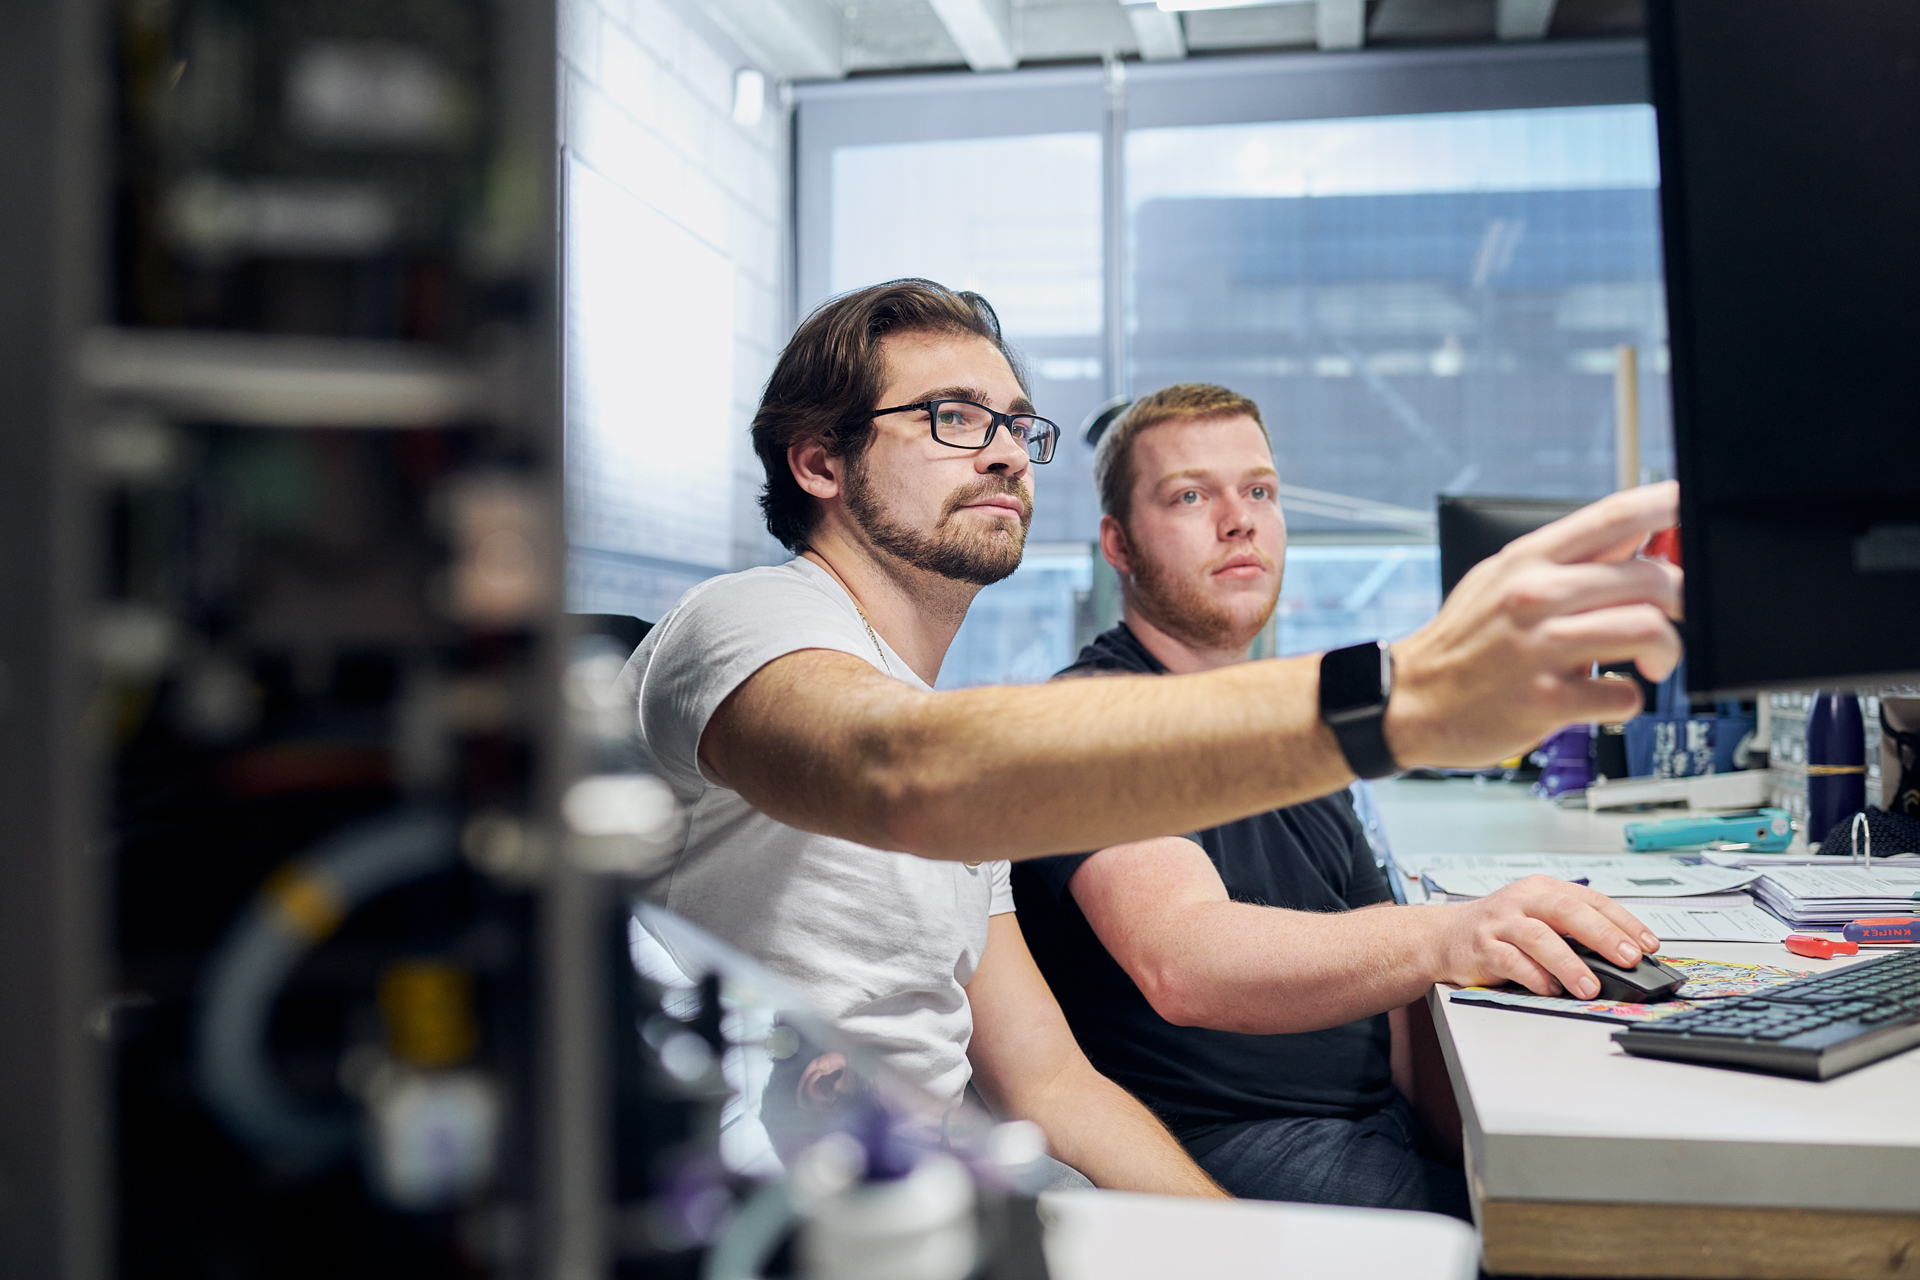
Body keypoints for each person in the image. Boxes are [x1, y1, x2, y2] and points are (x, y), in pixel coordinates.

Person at [616, 279, 1680, 1192]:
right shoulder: (746, 619)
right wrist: (1401, 694)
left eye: (1015, 425)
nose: (1004, 454)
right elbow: (897, 769)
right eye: (952, 417)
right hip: (762, 1200)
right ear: (819, 462)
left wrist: (1239, 1249)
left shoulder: (959, 760)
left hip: (935, 1186)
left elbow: (1050, 1081)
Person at [1010, 382, 1666, 1217]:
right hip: (1232, 1143)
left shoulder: (1291, 729)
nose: (1239, 519)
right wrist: (1453, 931)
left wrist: (1493, 1157)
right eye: (1189, 496)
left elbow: (1398, 1014)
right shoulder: (1094, 719)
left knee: (1604, 1201)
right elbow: (1185, 962)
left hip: (1370, 1125)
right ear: (1119, 544)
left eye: (1259, 491)